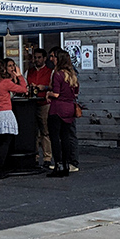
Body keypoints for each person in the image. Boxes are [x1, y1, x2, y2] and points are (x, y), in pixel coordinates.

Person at [46, 50, 79, 178]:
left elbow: (56, 93)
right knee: (66, 137)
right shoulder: (72, 75)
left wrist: (48, 94)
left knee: (55, 138)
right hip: (69, 107)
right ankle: (66, 165)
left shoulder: (58, 74)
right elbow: (75, 93)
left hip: (58, 108)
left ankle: (58, 164)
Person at [27, 48, 52, 168]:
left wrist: (45, 87)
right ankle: (35, 156)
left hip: (44, 103)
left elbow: (53, 87)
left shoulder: (50, 72)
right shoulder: (29, 71)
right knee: (33, 133)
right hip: (31, 104)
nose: (36, 60)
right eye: (35, 57)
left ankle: (47, 157)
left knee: (45, 131)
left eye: (39, 57)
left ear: (44, 58)